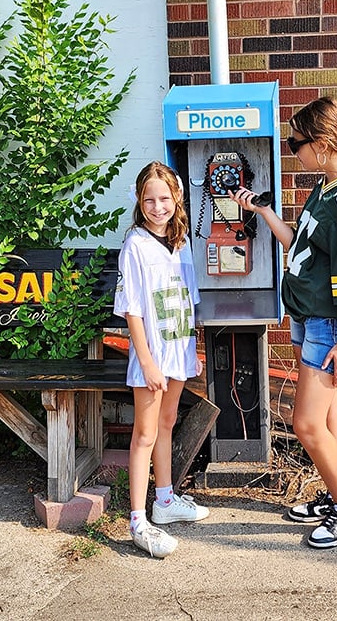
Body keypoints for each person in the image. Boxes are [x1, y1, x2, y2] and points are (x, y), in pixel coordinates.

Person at [231, 96, 337, 550]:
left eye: (295, 143)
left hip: (327, 324)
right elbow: (297, 244)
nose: (291, 150)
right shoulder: (327, 187)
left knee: (305, 423)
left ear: (320, 144)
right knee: (328, 413)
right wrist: (262, 211)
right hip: (307, 317)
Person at [113, 160, 209, 558]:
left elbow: (189, 302)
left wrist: (194, 351)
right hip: (153, 356)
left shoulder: (182, 242)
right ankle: (138, 519)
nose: (157, 207)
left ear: (177, 199)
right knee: (146, 432)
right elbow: (132, 309)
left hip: (179, 349)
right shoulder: (135, 245)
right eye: (149, 199)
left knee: (168, 422)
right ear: (139, 200)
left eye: (164, 198)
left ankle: (165, 500)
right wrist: (148, 362)